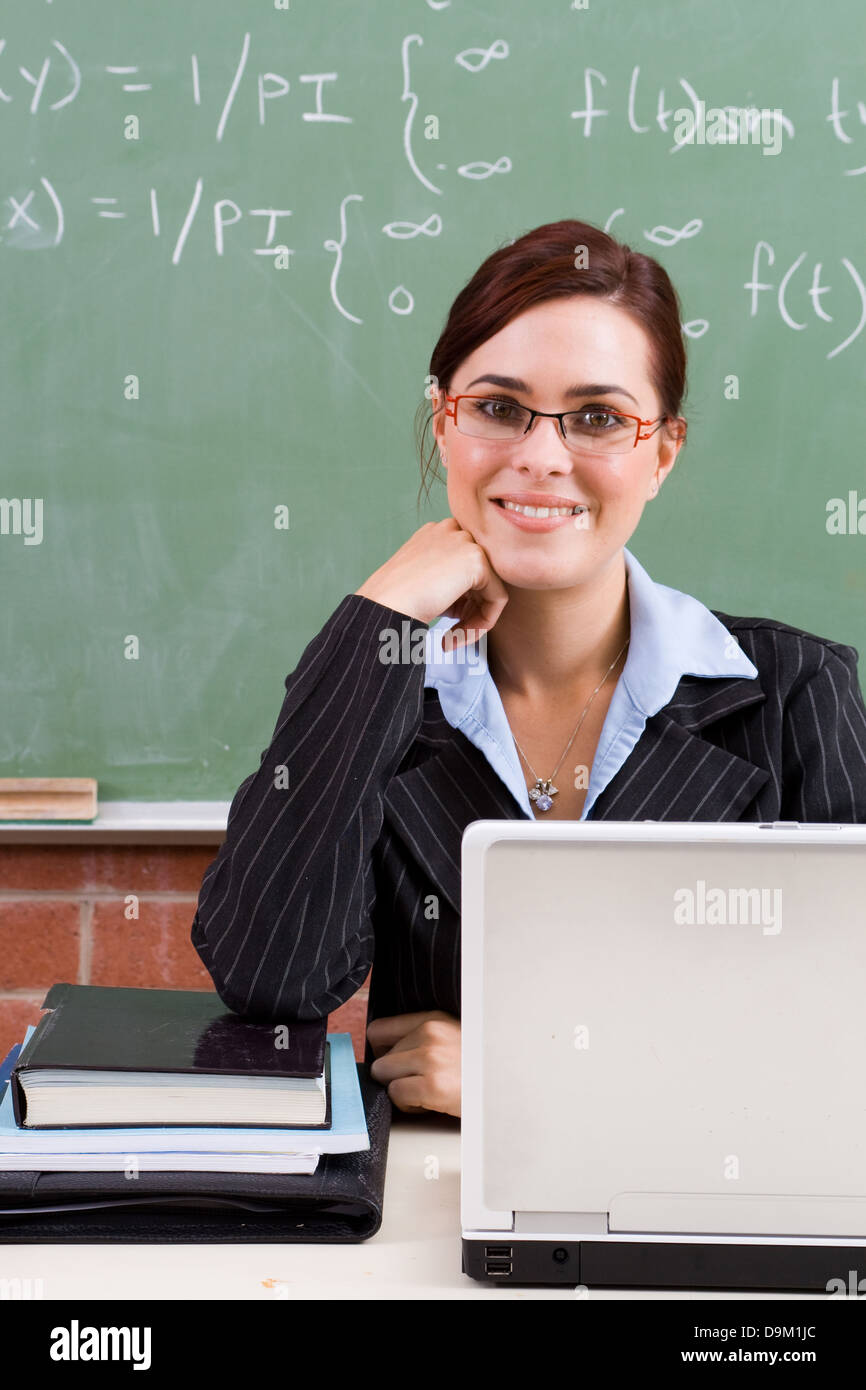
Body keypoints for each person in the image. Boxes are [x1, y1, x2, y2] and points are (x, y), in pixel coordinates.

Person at [190, 218, 866, 1120]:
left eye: (598, 418)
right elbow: (270, 978)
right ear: (447, 422)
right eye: (498, 407)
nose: (541, 457)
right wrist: (381, 614)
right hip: (426, 1226)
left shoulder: (789, 694)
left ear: (662, 451)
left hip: (704, 1221)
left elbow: (841, 1045)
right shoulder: (381, 686)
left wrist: (539, 1074)